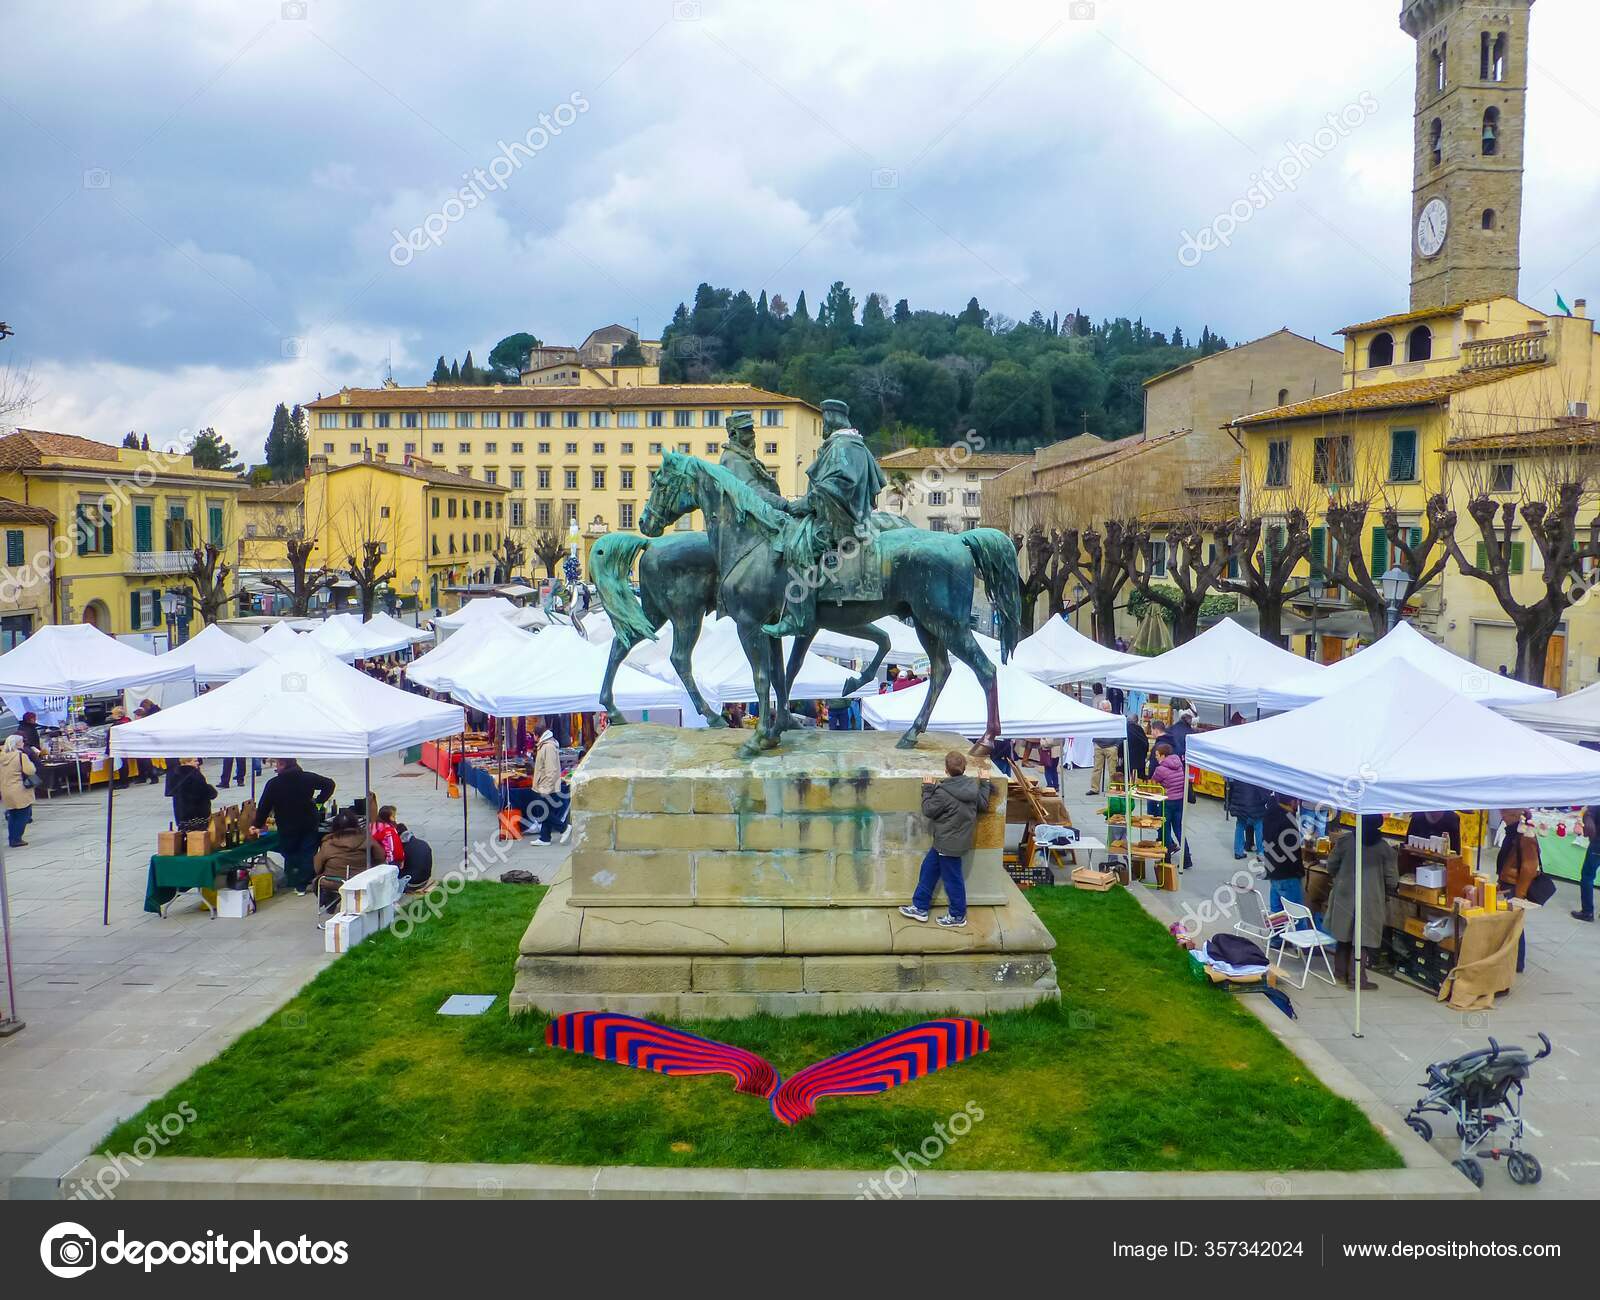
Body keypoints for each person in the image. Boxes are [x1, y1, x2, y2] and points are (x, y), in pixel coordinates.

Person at [899, 750, 993, 929]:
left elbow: (928, 810)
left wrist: (927, 789)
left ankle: (957, 916)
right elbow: (983, 804)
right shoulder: (973, 787)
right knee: (928, 869)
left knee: (952, 880)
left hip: (947, 843)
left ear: (946, 770)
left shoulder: (943, 792)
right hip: (951, 842)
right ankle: (920, 907)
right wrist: (985, 782)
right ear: (964, 768)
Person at [1325, 814, 1398, 989]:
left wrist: (1340, 877)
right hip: (1371, 898)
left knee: (1344, 935)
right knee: (1363, 939)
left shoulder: (1345, 841)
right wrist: (1386, 890)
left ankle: (1340, 973)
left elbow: (1331, 865)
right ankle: (1357, 979)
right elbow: (1392, 879)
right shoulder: (1385, 849)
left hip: (1345, 893)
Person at [252, 758, 336, 895]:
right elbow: (329, 784)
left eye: (277, 764)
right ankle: (303, 882)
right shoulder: (308, 777)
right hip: (308, 821)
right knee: (308, 852)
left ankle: (295, 880)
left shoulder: (274, 783)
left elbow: (264, 806)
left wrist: (257, 824)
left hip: (287, 824)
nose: (275, 767)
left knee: (290, 852)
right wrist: (319, 801)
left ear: (283, 764)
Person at [1497, 808, 1546, 974]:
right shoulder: (1513, 832)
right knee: (1509, 923)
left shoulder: (1525, 835)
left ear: (1515, 815)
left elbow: (1529, 867)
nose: (1502, 816)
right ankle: (1510, 957)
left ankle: (1517, 962)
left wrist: (1520, 894)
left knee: (1515, 924)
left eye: (1504, 813)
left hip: (1514, 886)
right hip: (1507, 883)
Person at [312, 811, 372, 904]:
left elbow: (317, 867)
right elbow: (381, 857)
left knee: (317, 881)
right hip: (362, 880)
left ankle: (329, 903)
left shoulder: (328, 844)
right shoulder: (367, 839)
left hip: (334, 883)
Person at [1259, 792, 1304, 914]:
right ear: (1293, 802)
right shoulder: (1288, 820)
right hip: (1288, 875)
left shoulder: (1270, 813)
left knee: (1276, 917)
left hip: (1273, 872)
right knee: (1297, 916)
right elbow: (1293, 851)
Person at [1149, 740, 1192, 870]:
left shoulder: (1160, 769)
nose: (1156, 758)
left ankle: (1166, 857)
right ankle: (1187, 858)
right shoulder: (1179, 764)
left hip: (1167, 801)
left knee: (1165, 829)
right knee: (1179, 829)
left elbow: (1153, 781)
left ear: (1163, 755)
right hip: (1179, 800)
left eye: (1157, 755)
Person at [531, 728, 570, 844]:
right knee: (546, 811)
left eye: (533, 735)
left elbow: (551, 770)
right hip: (545, 783)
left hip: (546, 785)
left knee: (542, 811)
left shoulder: (548, 747)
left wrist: (546, 788)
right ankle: (545, 838)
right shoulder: (545, 745)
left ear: (537, 735)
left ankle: (564, 828)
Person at [0, 735, 38, 847]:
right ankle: (17, 839)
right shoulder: (21, 756)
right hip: (20, 789)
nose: (23, 744)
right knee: (23, 814)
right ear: (17, 744)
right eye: (21, 742)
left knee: (12, 814)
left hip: (5, 789)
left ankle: (12, 838)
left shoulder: (1, 756)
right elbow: (30, 771)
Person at [1225, 778, 1270, 859]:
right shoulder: (1258, 775)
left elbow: (1232, 788)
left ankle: (1238, 852)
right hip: (1255, 805)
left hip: (1240, 805)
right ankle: (1261, 853)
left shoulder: (1240, 774)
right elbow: (1264, 795)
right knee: (1259, 826)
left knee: (1240, 825)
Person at [167, 757, 216, 831]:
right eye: (195, 761)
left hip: (182, 816)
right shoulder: (195, 774)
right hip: (197, 816)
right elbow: (207, 792)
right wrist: (211, 789)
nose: (198, 763)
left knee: (184, 834)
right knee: (198, 836)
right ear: (187, 762)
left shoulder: (175, 774)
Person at [1574, 805, 1600, 923]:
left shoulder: (1595, 803)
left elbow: (1588, 827)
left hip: (1598, 843)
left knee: (1587, 876)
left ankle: (1587, 912)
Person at [1088, 701, 1118, 796]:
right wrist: (1095, 742)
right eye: (1103, 708)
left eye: (1107, 708)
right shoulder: (1097, 719)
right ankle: (1094, 788)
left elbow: (1120, 733)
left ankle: (1112, 788)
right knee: (1096, 768)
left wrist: (1116, 745)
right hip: (1099, 745)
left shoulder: (1115, 719)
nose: (1105, 710)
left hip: (1111, 746)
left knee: (1112, 769)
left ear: (1110, 709)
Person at [1123, 713, 1149, 787]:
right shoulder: (1139, 729)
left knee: (1127, 773)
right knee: (1140, 773)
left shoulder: (1125, 728)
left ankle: (1126, 786)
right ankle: (1140, 786)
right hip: (1140, 757)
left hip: (1128, 756)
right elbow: (1145, 742)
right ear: (1136, 721)